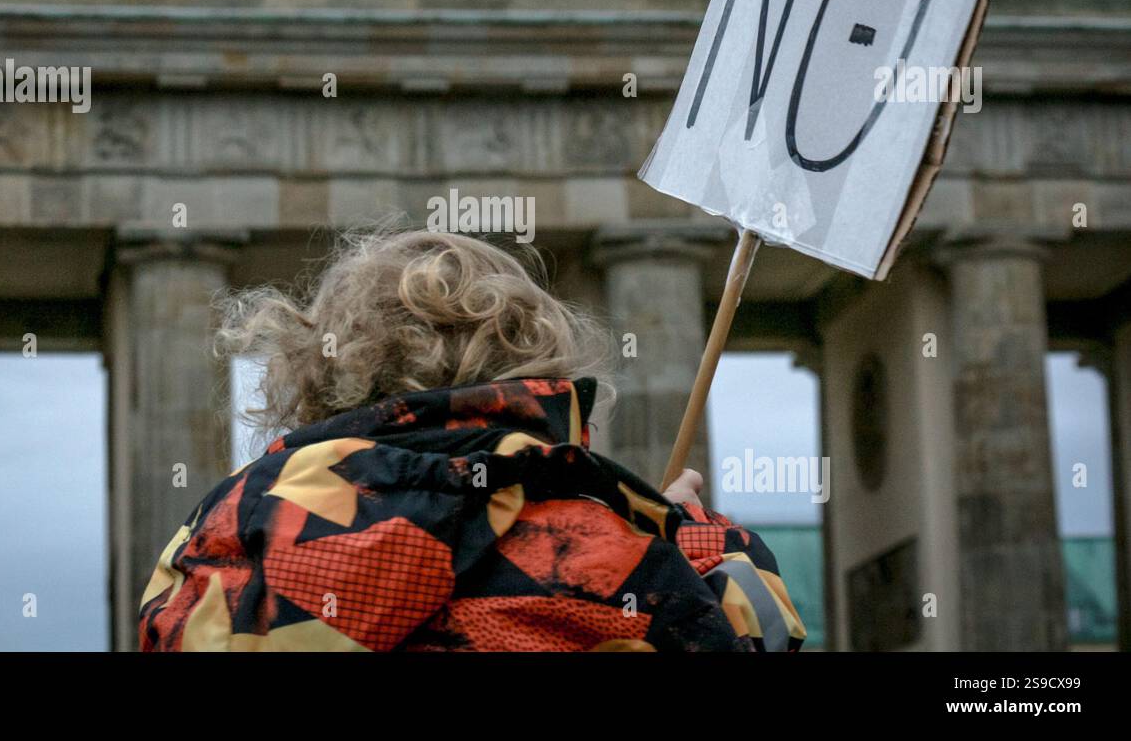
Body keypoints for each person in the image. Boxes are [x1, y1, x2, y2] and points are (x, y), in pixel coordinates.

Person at [139, 228, 806, 651]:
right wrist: (690, 532)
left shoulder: (227, 530)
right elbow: (747, 635)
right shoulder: (609, 551)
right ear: (539, 378)